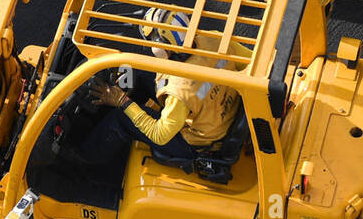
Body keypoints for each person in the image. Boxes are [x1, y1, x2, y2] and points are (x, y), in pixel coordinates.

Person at [78, 9, 247, 166]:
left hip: (199, 144)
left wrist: (122, 101)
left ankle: (85, 157)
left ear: (160, 47)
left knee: (120, 117)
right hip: (223, 114)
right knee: (142, 75)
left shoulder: (180, 91)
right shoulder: (214, 39)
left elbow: (159, 135)